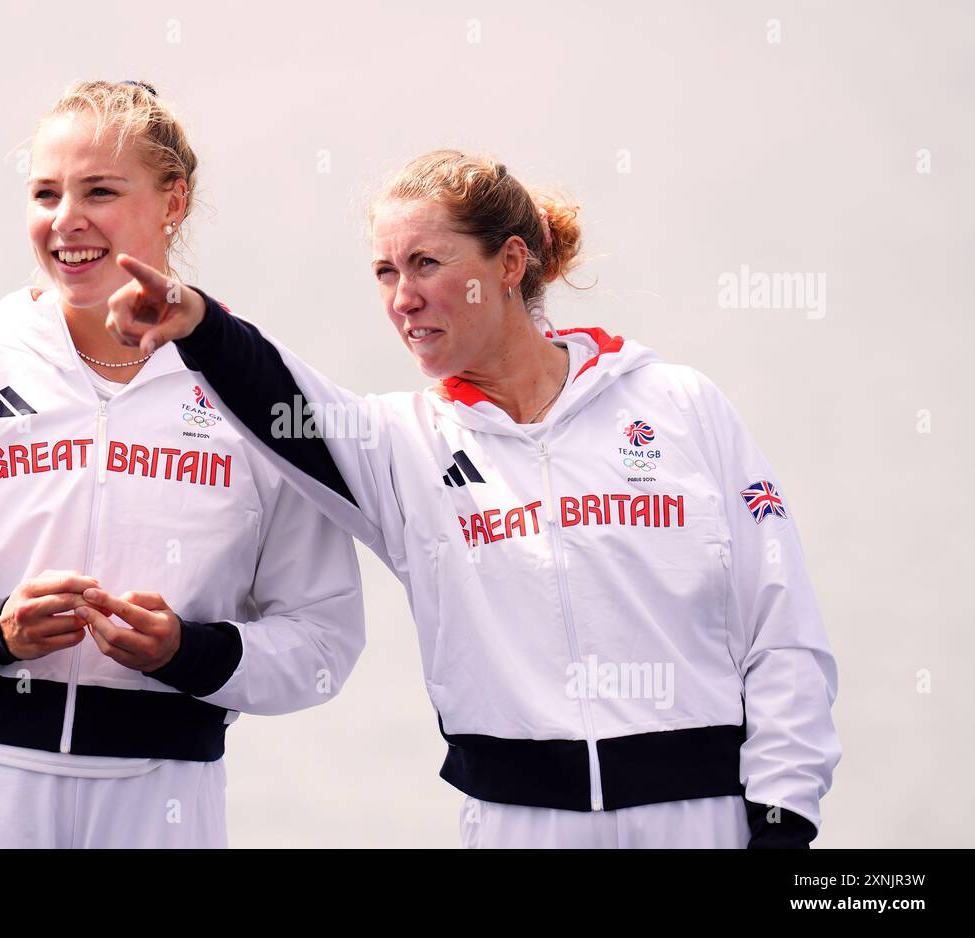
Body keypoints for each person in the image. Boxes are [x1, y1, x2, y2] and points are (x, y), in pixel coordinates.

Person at [103, 149, 841, 848]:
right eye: (386, 272)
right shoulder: (402, 446)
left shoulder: (682, 405)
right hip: (520, 823)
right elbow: (283, 400)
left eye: (426, 263)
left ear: (511, 263)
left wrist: (783, 819)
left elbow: (782, 629)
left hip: (700, 819)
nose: (402, 298)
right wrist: (197, 324)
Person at [0, 80, 364, 849]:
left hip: (162, 798)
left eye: (99, 190)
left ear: (174, 201)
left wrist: (188, 652)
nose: (67, 221)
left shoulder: (252, 385)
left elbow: (324, 640)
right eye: (44, 192)